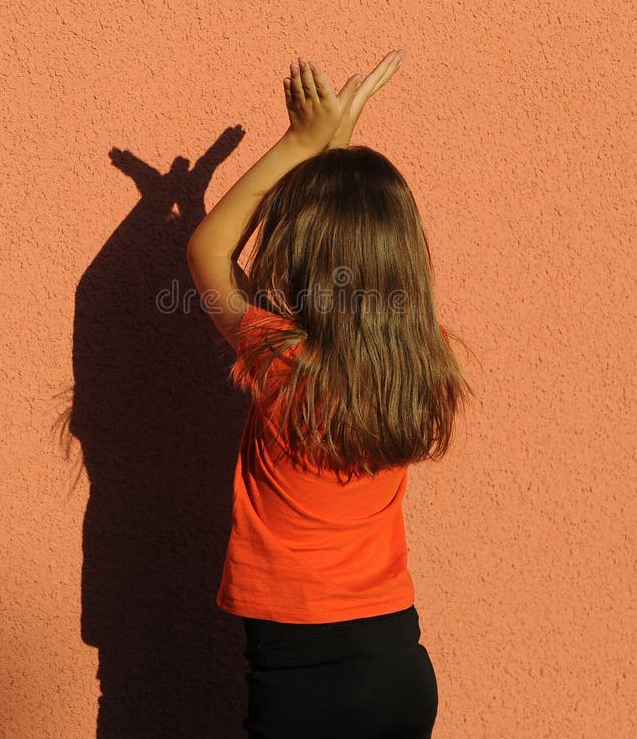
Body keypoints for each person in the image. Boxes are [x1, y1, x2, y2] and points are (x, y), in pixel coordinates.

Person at [186, 50, 475, 738]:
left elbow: (206, 251)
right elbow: (358, 271)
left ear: (304, 250)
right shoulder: (416, 358)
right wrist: (331, 149)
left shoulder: (281, 361)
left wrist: (300, 143)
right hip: (399, 667)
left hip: (300, 679)